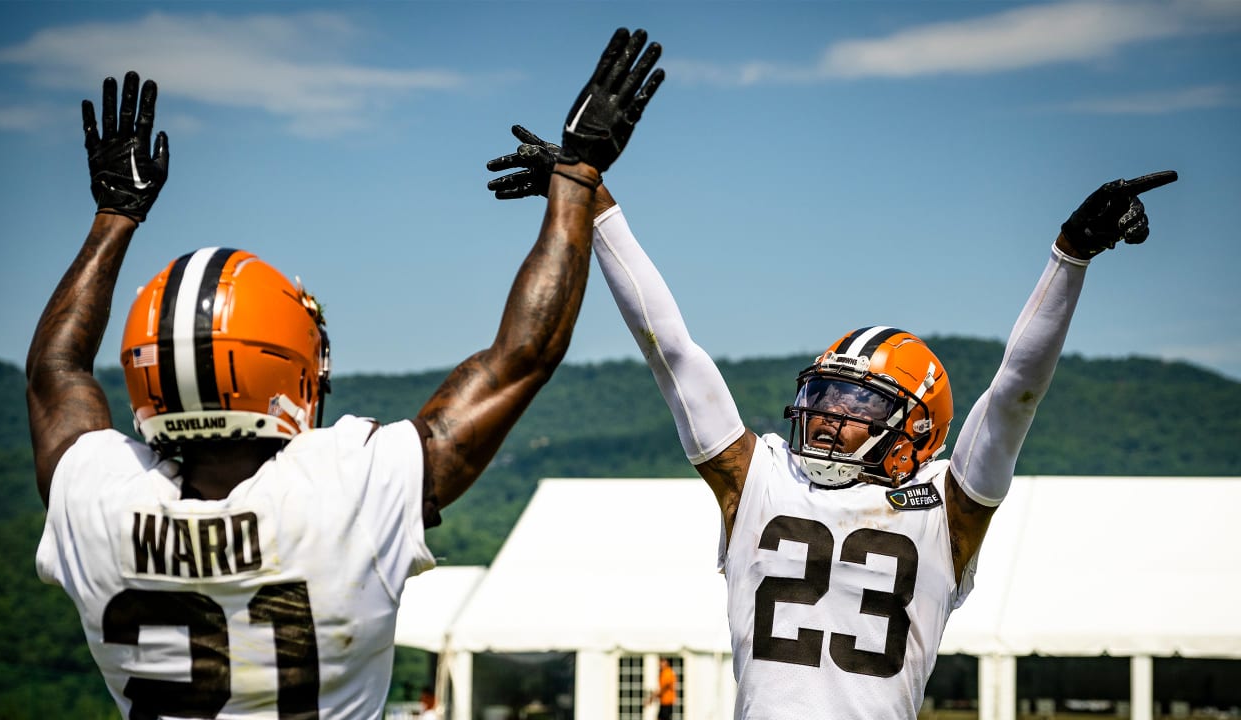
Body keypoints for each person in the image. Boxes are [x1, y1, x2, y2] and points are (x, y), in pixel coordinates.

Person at [27, 27, 664, 719]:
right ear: (293, 369)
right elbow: (523, 356)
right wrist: (575, 177)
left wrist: (114, 215)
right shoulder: (347, 489)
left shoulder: (99, 501)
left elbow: (53, 373)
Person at [488, 128, 1176, 718]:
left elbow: (1013, 394)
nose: (826, 417)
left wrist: (1069, 256)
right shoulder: (758, 476)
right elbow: (672, 350)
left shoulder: (946, 511)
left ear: (916, 431)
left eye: (860, 405)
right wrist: (594, 204)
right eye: (824, 394)